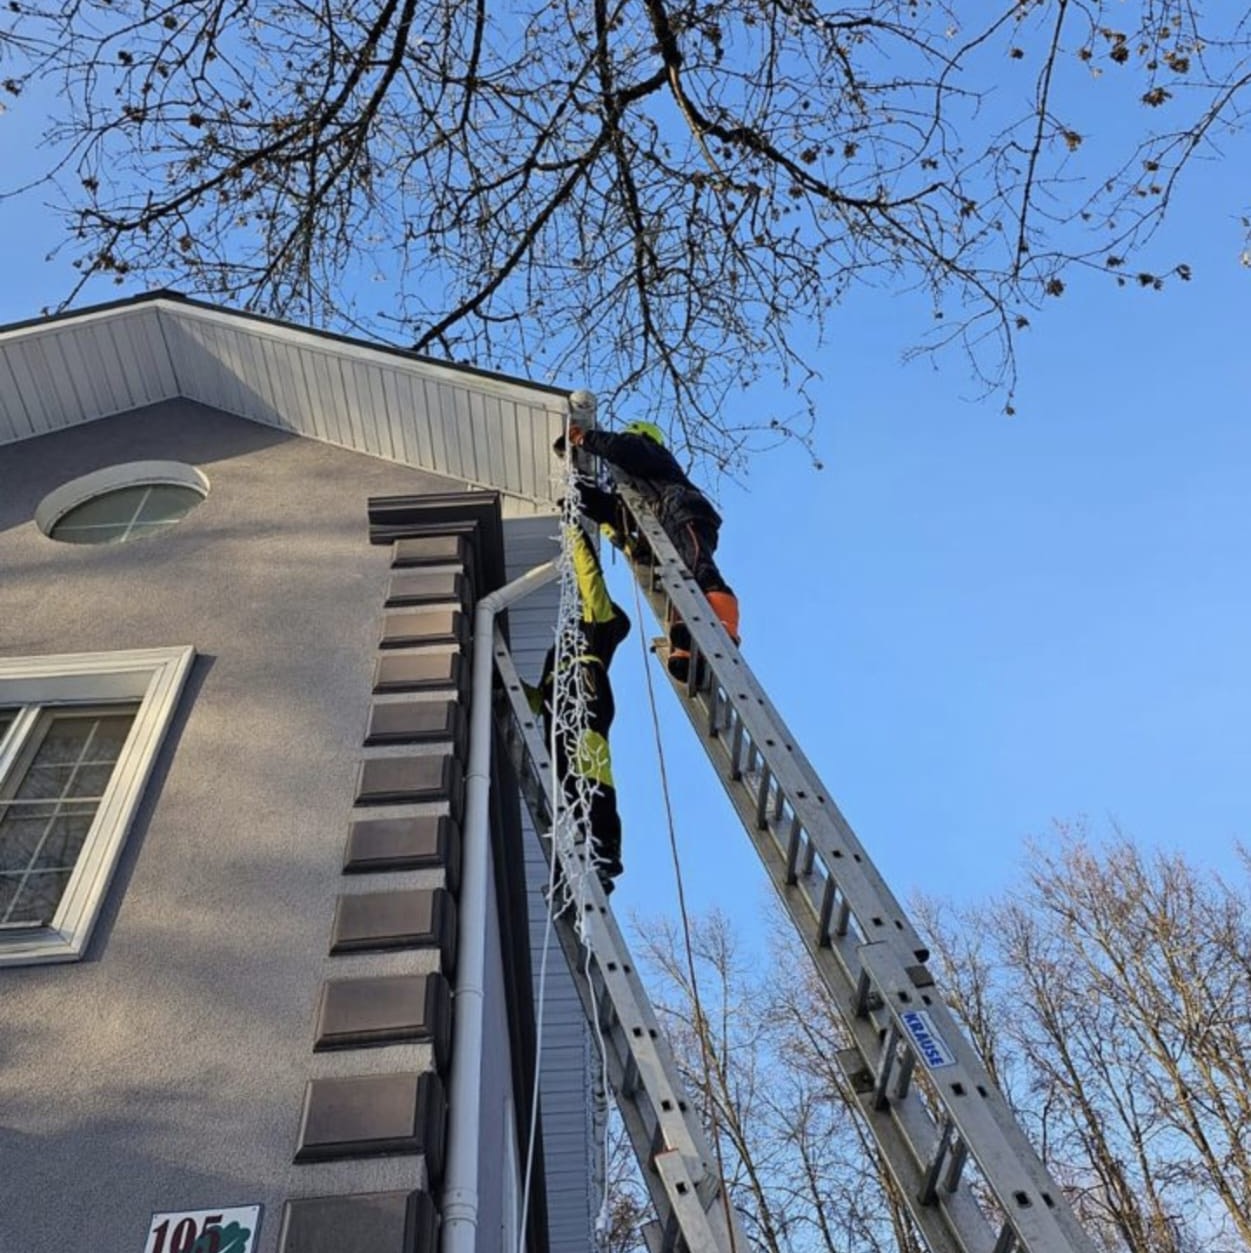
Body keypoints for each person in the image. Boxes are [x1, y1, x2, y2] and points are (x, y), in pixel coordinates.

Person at [562, 419, 739, 681]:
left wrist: (585, 439)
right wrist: (577, 494)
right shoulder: (638, 491)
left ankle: (724, 626)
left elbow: (624, 449)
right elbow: (616, 512)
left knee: (696, 568)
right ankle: (688, 646)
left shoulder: (646, 448)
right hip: (666, 517)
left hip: (681, 511)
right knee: (678, 582)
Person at [526, 522, 630, 895]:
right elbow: (538, 699)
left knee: (590, 773)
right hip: (560, 710)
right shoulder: (560, 652)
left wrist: (573, 531)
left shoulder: (600, 625)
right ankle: (579, 854)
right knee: (569, 780)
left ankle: (603, 848)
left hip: (586, 699)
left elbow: (590, 578)